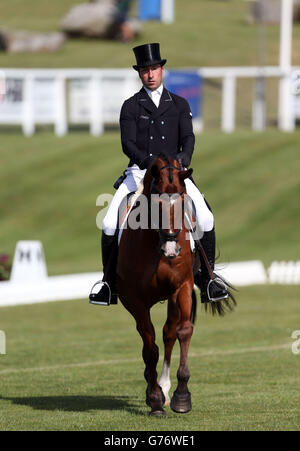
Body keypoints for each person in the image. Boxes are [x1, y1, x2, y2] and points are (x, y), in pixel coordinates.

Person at [89, 42, 229, 306]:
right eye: (145, 70)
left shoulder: (178, 104)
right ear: (140, 74)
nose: (150, 74)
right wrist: (150, 163)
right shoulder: (130, 106)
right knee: (109, 223)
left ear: (162, 70)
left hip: (174, 175)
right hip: (139, 174)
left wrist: (182, 161)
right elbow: (127, 144)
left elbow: (188, 137)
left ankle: (208, 279)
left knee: (206, 216)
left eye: (154, 68)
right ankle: (108, 284)